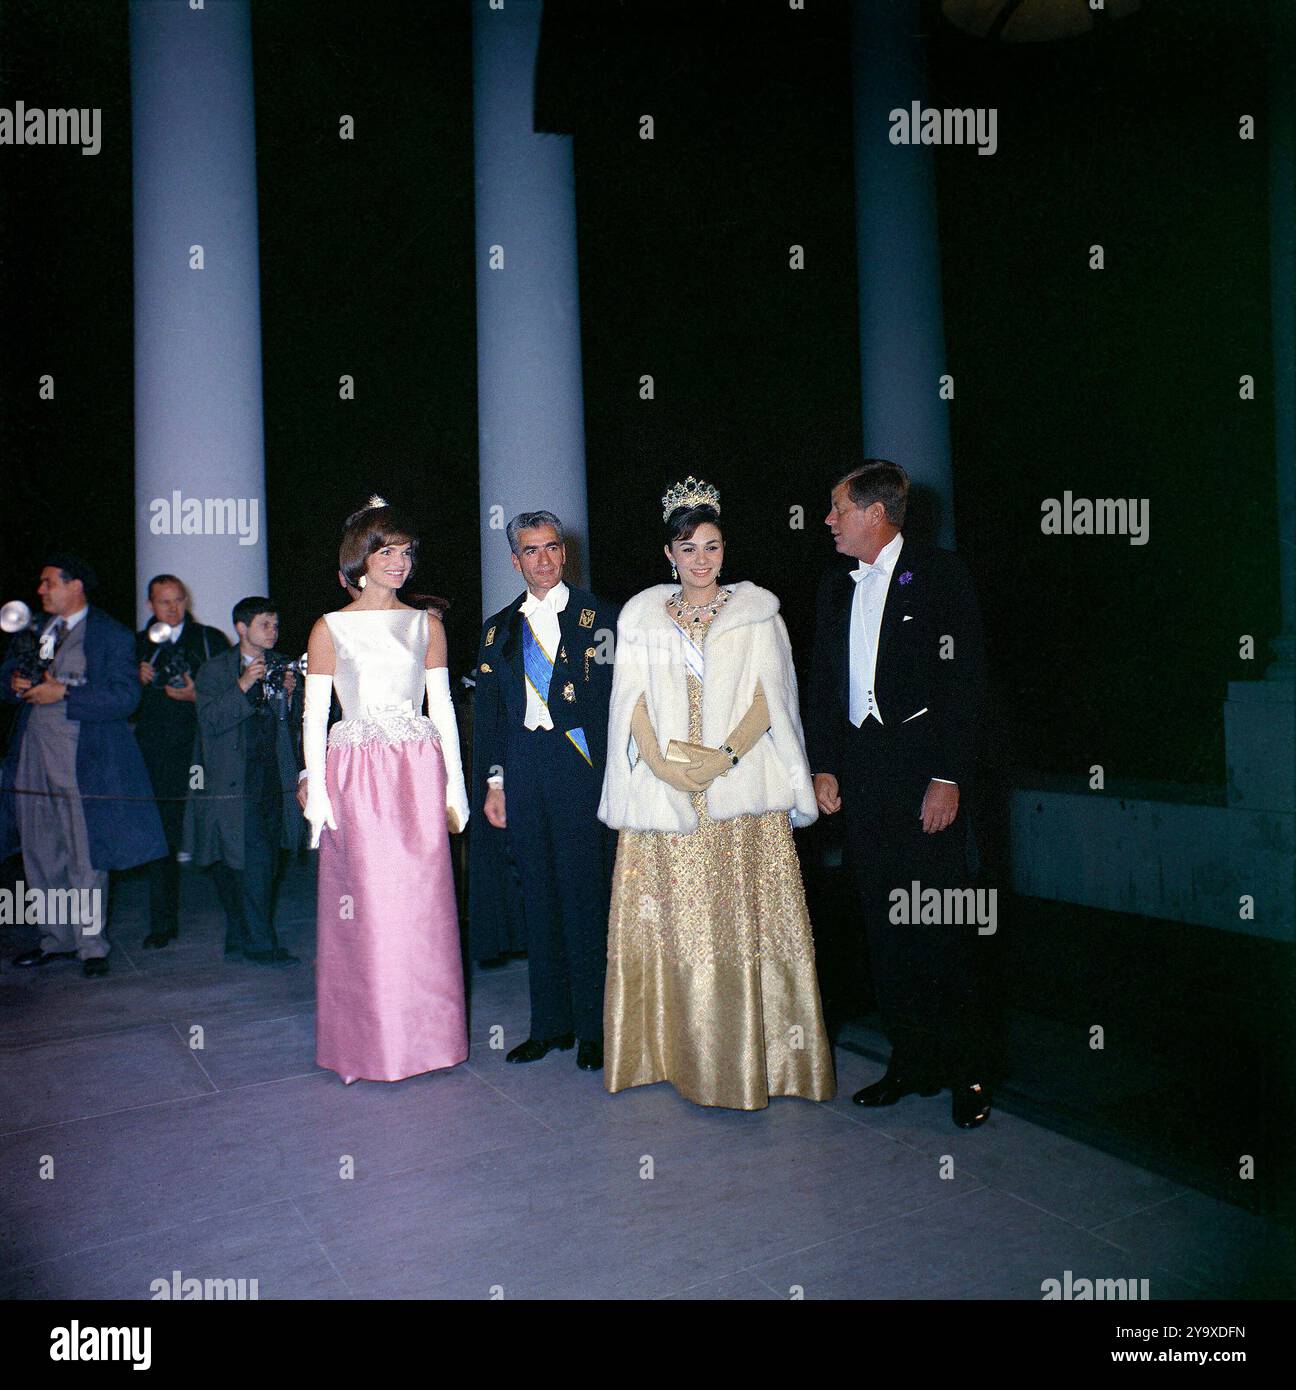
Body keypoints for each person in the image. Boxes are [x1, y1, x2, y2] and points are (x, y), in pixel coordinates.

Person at [598, 478, 835, 1110]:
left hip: (738, 786)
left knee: (738, 924)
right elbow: (633, 701)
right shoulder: (643, 616)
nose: (701, 559)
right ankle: (665, 1052)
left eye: (711, 546)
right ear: (669, 554)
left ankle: (755, 1062)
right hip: (667, 787)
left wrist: (725, 756)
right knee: (673, 923)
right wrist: (661, 765)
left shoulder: (758, 612)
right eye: (689, 548)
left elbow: (773, 701)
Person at [805, 459, 991, 1128]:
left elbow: (966, 684)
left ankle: (967, 1072)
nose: (828, 521)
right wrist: (823, 765)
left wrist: (950, 777)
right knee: (884, 927)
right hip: (862, 775)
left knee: (937, 924)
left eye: (837, 509)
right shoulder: (835, 585)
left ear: (875, 514)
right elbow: (825, 684)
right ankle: (909, 1060)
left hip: (924, 775)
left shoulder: (941, 575)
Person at [303, 497, 470, 1084]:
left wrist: (458, 789)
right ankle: (368, 1045)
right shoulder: (330, 627)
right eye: (386, 552)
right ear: (361, 558)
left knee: (423, 907)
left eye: (405, 552)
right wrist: (318, 793)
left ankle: (430, 1041)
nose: (399, 563)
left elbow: (444, 708)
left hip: (418, 768)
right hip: (356, 774)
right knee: (367, 908)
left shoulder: (427, 624)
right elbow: (314, 715)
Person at [471, 511, 617, 1071]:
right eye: (531, 551)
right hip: (524, 767)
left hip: (579, 762)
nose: (544, 559)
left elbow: (613, 705)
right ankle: (548, 1025)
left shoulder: (598, 616)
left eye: (552, 547)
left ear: (564, 552)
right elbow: (491, 716)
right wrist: (494, 781)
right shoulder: (497, 628)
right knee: (538, 898)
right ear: (515, 560)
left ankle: (593, 1028)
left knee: (584, 896)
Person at [0, 554, 166, 977]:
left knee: (84, 853)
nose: (41, 590)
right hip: (32, 760)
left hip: (82, 759)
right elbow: (7, 671)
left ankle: (92, 946)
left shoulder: (110, 635)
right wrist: (12, 681)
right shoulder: (37, 628)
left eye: (48, 582)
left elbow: (126, 697)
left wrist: (66, 697)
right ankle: (56, 939)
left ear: (75, 586)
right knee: (40, 853)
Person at [191, 597, 303, 965]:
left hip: (272, 780)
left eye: (275, 624)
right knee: (235, 862)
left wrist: (289, 695)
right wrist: (242, 685)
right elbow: (209, 721)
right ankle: (255, 940)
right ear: (241, 628)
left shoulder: (282, 664)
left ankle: (248, 938)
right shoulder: (215, 670)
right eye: (264, 625)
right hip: (231, 784)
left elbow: (294, 723)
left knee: (263, 862)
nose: (273, 632)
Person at [134, 574, 229, 948]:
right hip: (157, 754)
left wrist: (195, 696)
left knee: (217, 828)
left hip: (203, 751)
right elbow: (123, 704)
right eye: (164, 602)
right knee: (163, 838)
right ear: (150, 605)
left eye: (178, 600)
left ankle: (240, 921)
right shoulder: (138, 645)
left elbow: (231, 697)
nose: (173, 609)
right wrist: (133, 679)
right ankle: (162, 923)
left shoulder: (209, 640)